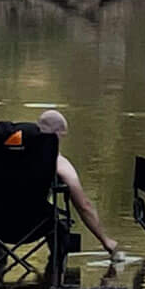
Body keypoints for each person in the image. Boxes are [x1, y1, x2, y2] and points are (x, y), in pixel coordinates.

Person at [35, 108, 127, 262]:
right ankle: (55, 275)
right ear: (57, 135)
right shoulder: (58, 163)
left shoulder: (4, 155)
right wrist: (106, 241)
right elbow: (83, 205)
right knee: (58, 226)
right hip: (34, 224)